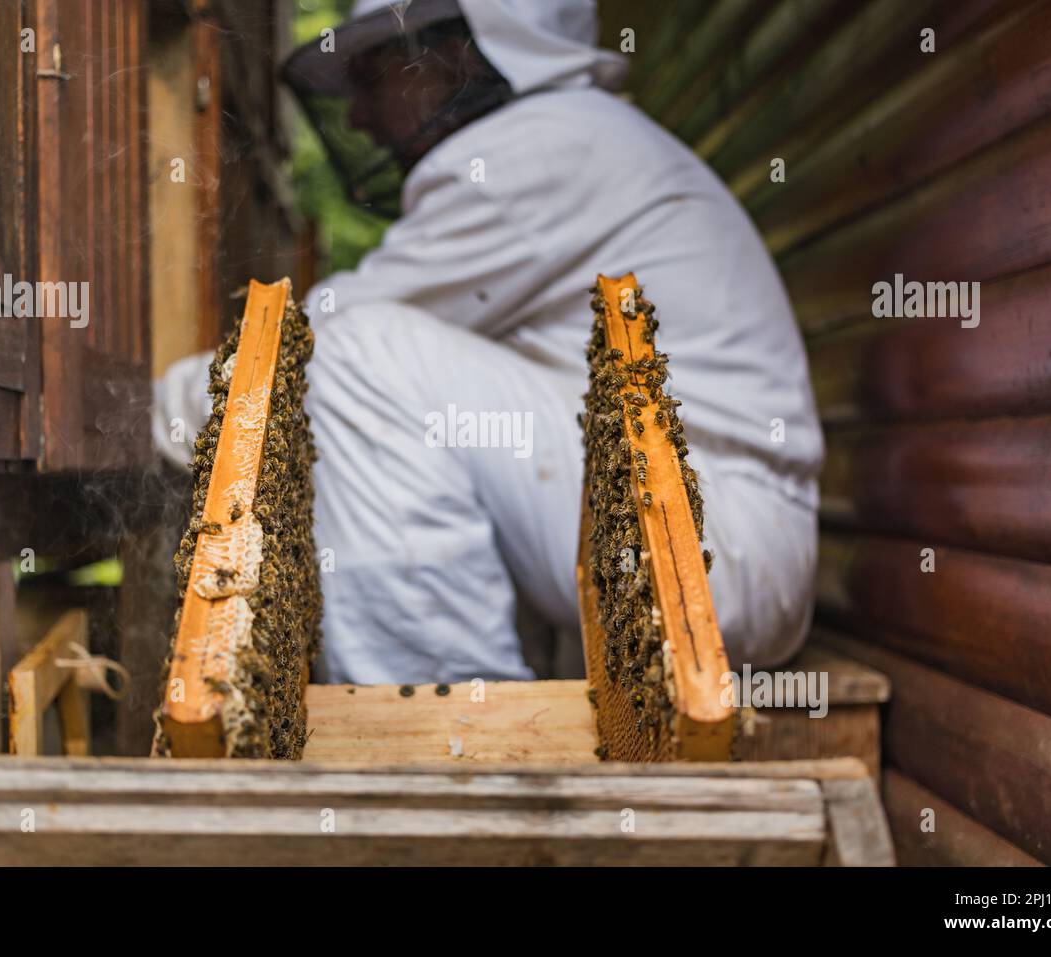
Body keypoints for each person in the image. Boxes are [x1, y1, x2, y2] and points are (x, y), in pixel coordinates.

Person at [153, 0, 823, 685]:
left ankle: (444, 759)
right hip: (710, 540)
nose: (356, 114)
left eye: (375, 74)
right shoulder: (572, 138)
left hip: (717, 548)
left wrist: (142, 416)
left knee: (358, 361)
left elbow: (305, 348)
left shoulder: (543, 148)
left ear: (460, 51)